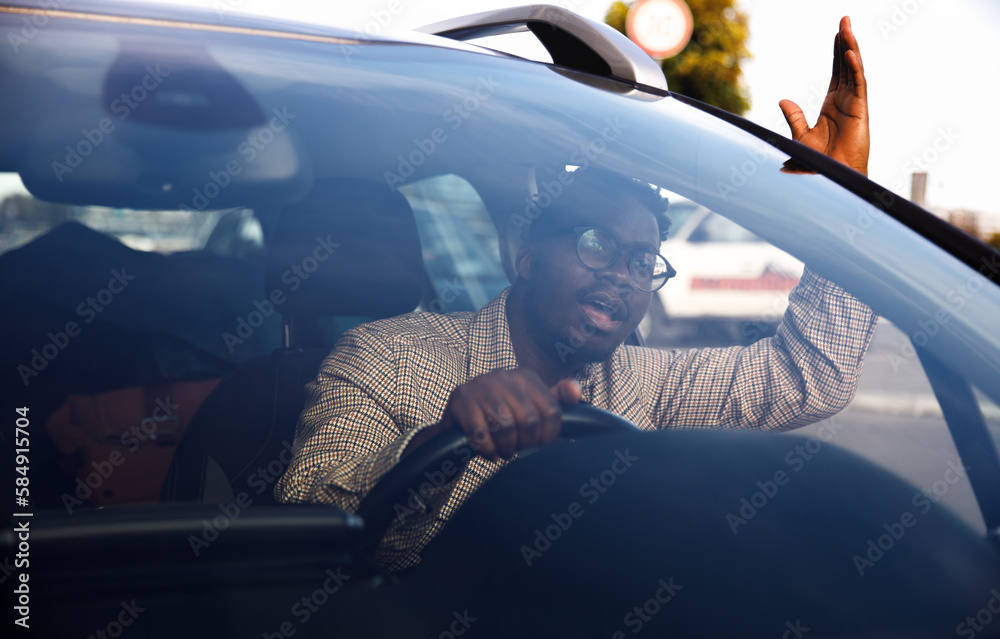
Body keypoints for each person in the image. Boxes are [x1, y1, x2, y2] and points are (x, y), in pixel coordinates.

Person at [275, 16, 876, 572]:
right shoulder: (388, 360)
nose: (622, 273)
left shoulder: (642, 385)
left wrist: (840, 201)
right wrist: (441, 441)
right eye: (596, 243)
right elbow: (308, 523)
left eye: (643, 261)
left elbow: (807, 377)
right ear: (527, 255)